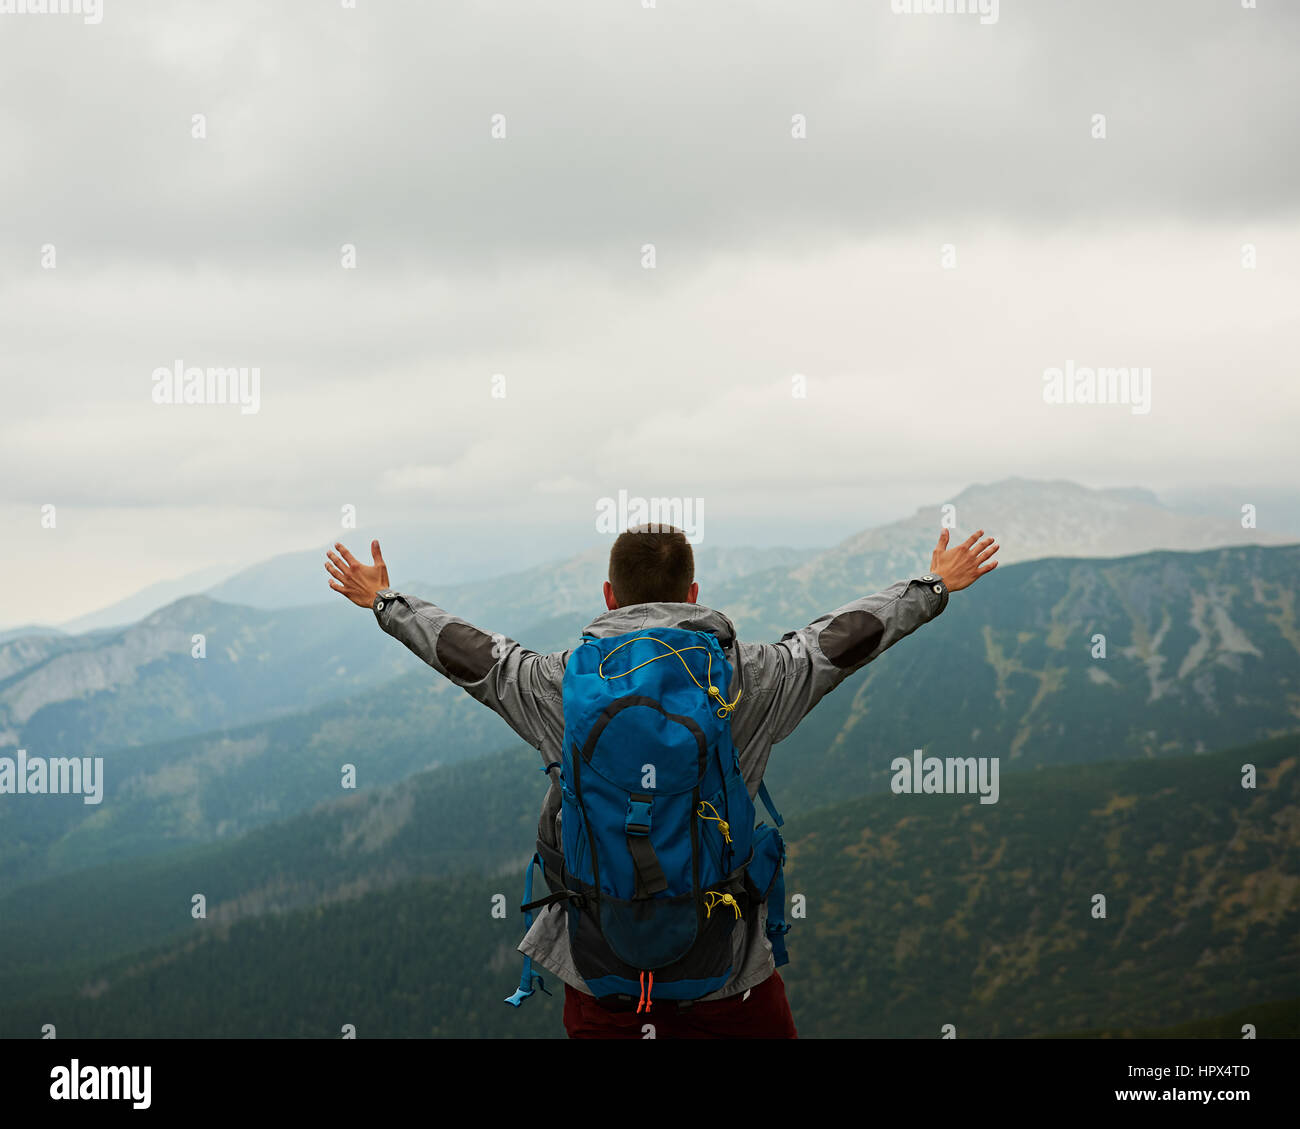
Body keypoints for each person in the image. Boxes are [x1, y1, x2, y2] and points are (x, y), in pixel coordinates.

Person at [326, 523, 999, 1037]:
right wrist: (933, 587)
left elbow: (473, 656)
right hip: (730, 980)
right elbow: (841, 641)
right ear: (694, 595)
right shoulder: (749, 678)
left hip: (603, 975)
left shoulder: (561, 684)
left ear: (609, 596)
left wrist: (385, 600)